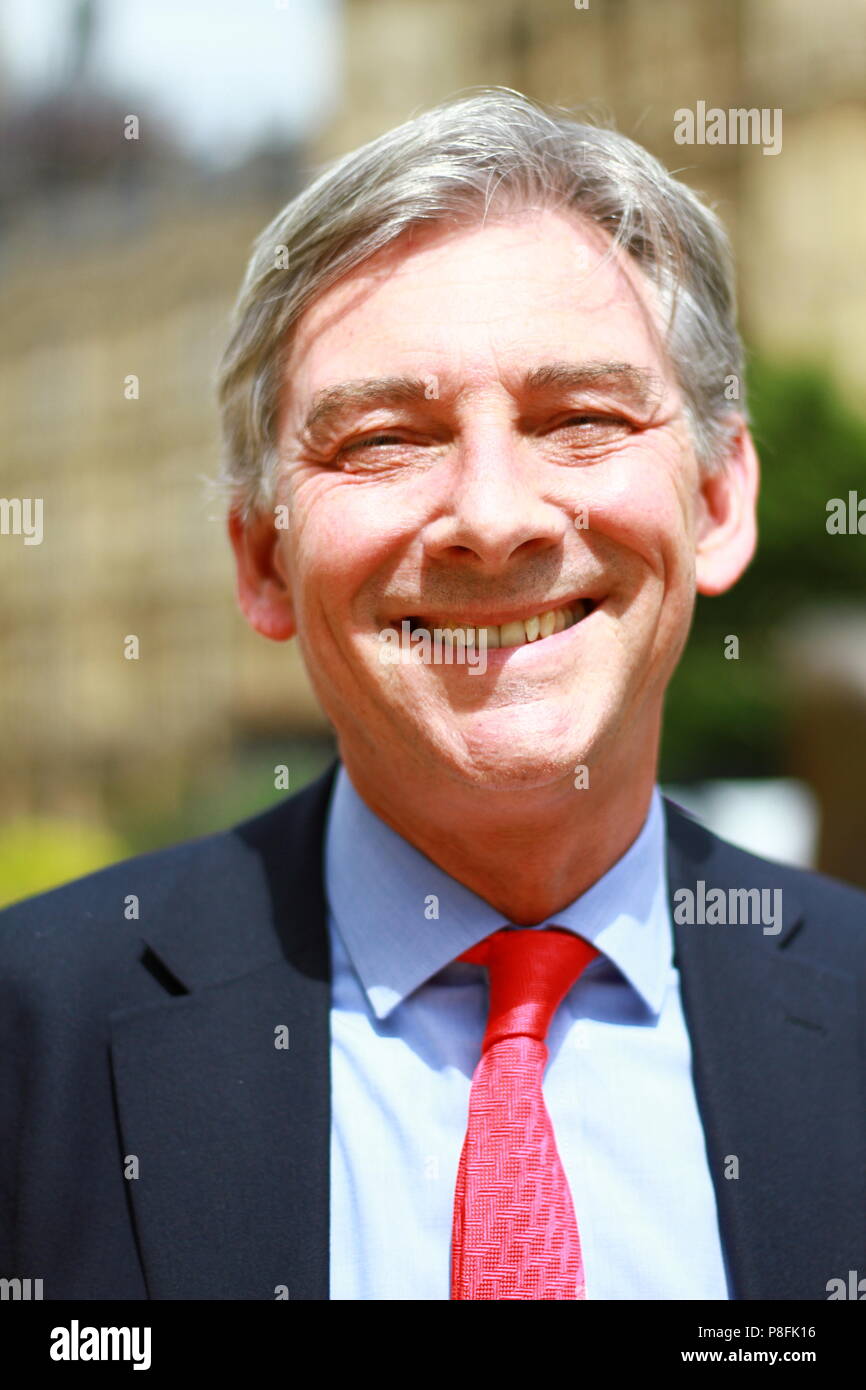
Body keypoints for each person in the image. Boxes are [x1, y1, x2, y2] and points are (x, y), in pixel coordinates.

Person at [1, 88, 863, 1303]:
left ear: (718, 504)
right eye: (383, 441)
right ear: (261, 559)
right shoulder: (29, 1034)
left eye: (580, 419)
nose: (493, 518)